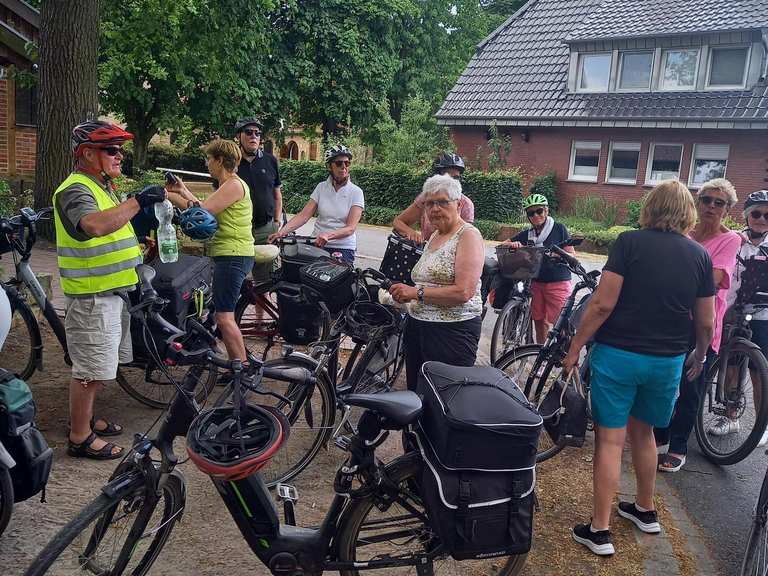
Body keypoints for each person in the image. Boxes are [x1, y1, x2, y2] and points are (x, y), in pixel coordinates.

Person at [562, 180, 715, 556]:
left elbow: (602, 304)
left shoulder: (629, 243)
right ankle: (645, 510)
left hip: (619, 356)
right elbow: (706, 321)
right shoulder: (700, 256)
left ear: (650, 207)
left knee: (610, 440)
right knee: (645, 434)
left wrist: (575, 345)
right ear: (688, 213)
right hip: (667, 362)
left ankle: (599, 530)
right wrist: (698, 353)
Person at [54, 120, 166, 460]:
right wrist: (137, 201)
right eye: (112, 150)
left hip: (111, 294)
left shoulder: (102, 187)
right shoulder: (75, 189)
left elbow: (114, 227)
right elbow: (94, 225)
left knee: (102, 367)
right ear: (88, 153)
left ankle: (86, 420)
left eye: (120, 150)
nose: (120, 156)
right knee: (89, 371)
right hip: (92, 298)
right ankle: (79, 436)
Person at [655, 178, 741, 472]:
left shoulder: (731, 239)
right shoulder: (684, 232)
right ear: (697, 202)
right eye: (707, 200)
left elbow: (714, 280)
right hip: (671, 319)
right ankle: (659, 437)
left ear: (728, 209)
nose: (712, 207)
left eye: (720, 203)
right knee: (665, 382)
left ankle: (679, 446)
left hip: (702, 323)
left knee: (691, 385)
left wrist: (674, 281)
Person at [388, 174, 485, 391]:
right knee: (418, 392)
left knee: (443, 399)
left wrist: (416, 293)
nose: (434, 209)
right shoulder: (435, 236)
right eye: (429, 203)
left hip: (452, 333)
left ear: (458, 204)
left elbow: (464, 292)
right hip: (419, 326)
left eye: (442, 202)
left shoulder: (468, 235)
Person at [166, 139, 254, 361]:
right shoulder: (229, 185)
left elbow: (202, 214)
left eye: (209, 159)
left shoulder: (234, 185)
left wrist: (170, 197)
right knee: (221, 314)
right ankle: (236, 364)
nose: (207, 163)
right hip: (230, 255)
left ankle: (241, 370)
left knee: (224, 318)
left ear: (220, 160)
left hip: (233, 256)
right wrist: (183, 190)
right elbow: (205, 208)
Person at [710, 189, 768, 444]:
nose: (762, 219)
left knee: (760, 369)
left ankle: (762, 422)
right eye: (756, 213)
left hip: (763, 315)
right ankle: (730, 417)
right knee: (731, 363)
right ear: (746, 216)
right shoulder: (735, 241)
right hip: (732, 311)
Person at [269, 145, 363, 264]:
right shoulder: (321, 187)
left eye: (347, 163)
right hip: (317, 243)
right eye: (339, 163)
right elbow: (304, 216)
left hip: (342, 247)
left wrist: (328, 235)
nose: (344, 167)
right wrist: (281, 233)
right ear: (329, 166)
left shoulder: (356, 192)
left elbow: (350, 228)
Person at [503, 193, 574, 343]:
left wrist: (558, 255)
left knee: (560, 324)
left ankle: (568, 359)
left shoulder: (559, 229)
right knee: (539, 321)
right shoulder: (527, 234)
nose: (535, 216)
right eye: (531, 213)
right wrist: (514, 245)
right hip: (536, 282)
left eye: (539, 211)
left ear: (546, 211)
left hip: (558, 282)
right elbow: (503, 245)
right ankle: (540, 356)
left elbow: (571, 253)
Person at [234, 116, 282, 282]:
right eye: (248, 132)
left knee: (264, 282)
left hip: (265, 230)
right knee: (237, 281)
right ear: (238, 136)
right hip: (238, 230)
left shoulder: (270, 161)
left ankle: (260, 309)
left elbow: (277, 194)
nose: (253, 136)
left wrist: (276, 222)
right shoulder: (231, 162)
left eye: (257, 133)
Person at [392, 152, 474, 243]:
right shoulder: (425, 198)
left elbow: (466, 238)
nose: (451, 182)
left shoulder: (466, 204)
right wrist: (412, 234)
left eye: (455, 178)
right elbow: (398, 222)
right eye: (446, 177)